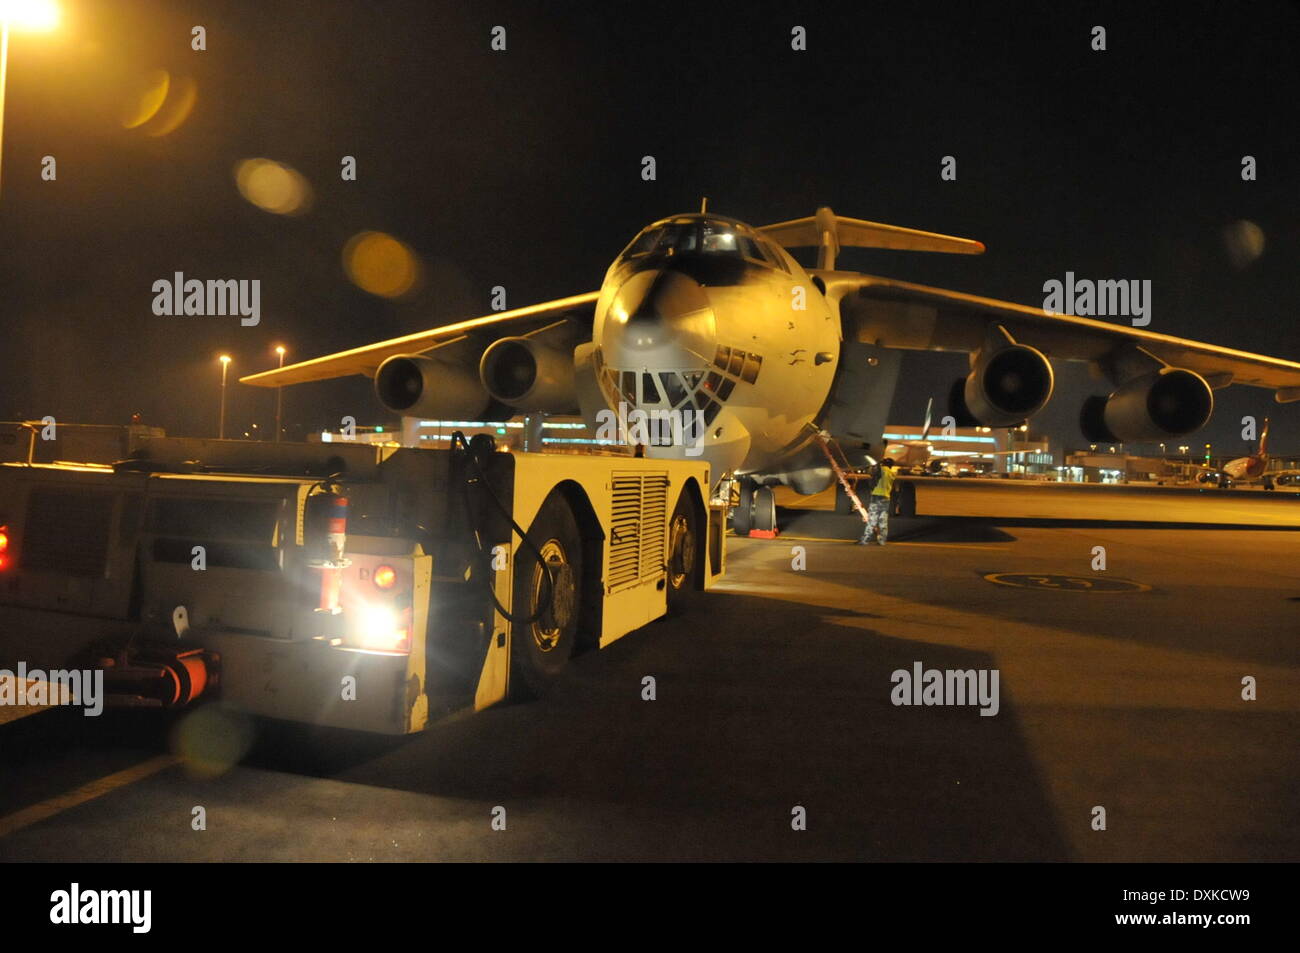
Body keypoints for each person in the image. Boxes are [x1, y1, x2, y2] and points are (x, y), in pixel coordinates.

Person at [858, 457, 898, 545]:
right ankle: (882, 540)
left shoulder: (881, 470)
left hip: (877, 496)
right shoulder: (892, 473)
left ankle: (865, 540)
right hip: (886, 497)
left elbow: (871, 472)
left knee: (872, 519)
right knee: (883, 520)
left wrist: (877, 463)